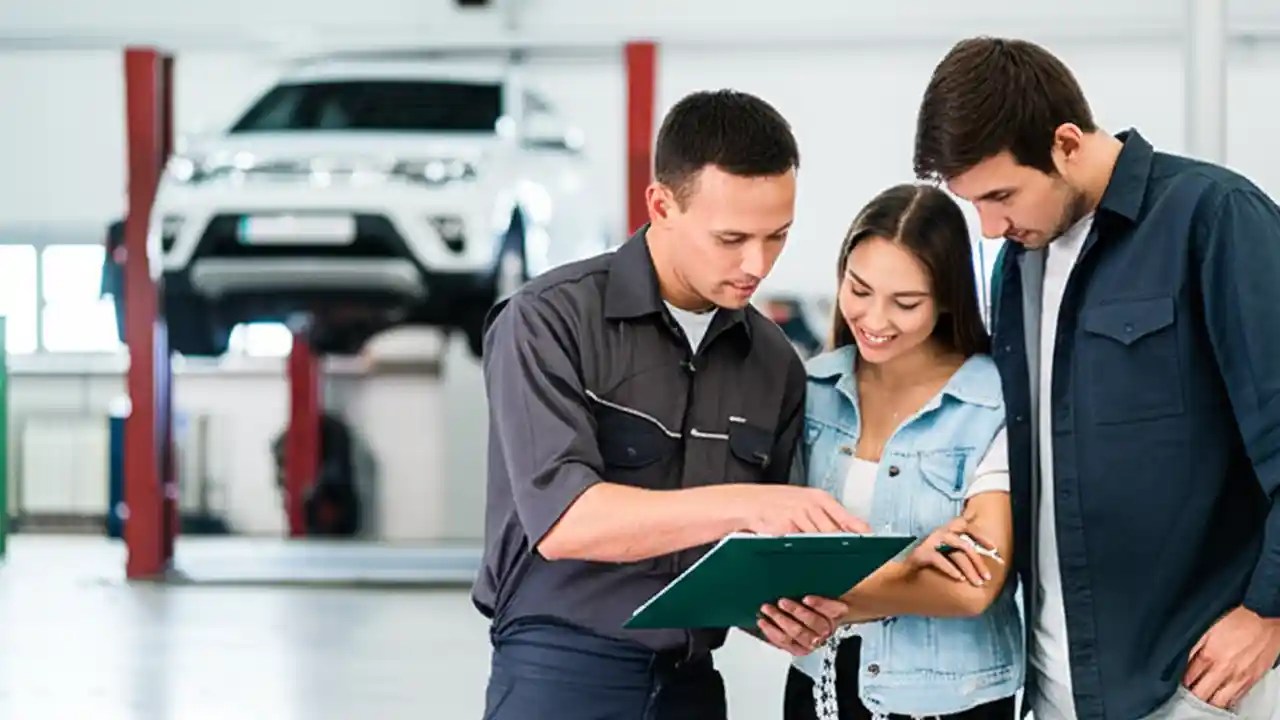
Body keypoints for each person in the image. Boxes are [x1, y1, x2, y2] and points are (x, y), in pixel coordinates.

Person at [913, 36, 1280, 719]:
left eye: (1001, 195)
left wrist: (1269, 613)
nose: (991, 227)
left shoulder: (1213, 218)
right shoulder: (1018, 262)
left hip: (1196, 684)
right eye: (974, 206)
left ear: (1066, 142)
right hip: (1057, 686)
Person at [472, 89, 870, 720]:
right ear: (661, 204)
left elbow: (743, 556)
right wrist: (756, 502)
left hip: (691, 686)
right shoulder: (548, 322)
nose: (757, 263)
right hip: (558, 679)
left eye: (778, 237)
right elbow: (567, 522)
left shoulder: (772, 363)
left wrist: (775, 617)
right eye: (732, 238)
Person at [759, 184, 1022, 720]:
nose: (874, 320)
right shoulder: (810, 389)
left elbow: (974, 587)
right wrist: (910, 571)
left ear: (948, 297)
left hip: (950, 700)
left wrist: (824, 600)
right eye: (859, 290)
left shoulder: (993, 400)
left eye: (905, 303)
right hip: (822, 689)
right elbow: (766, 558)